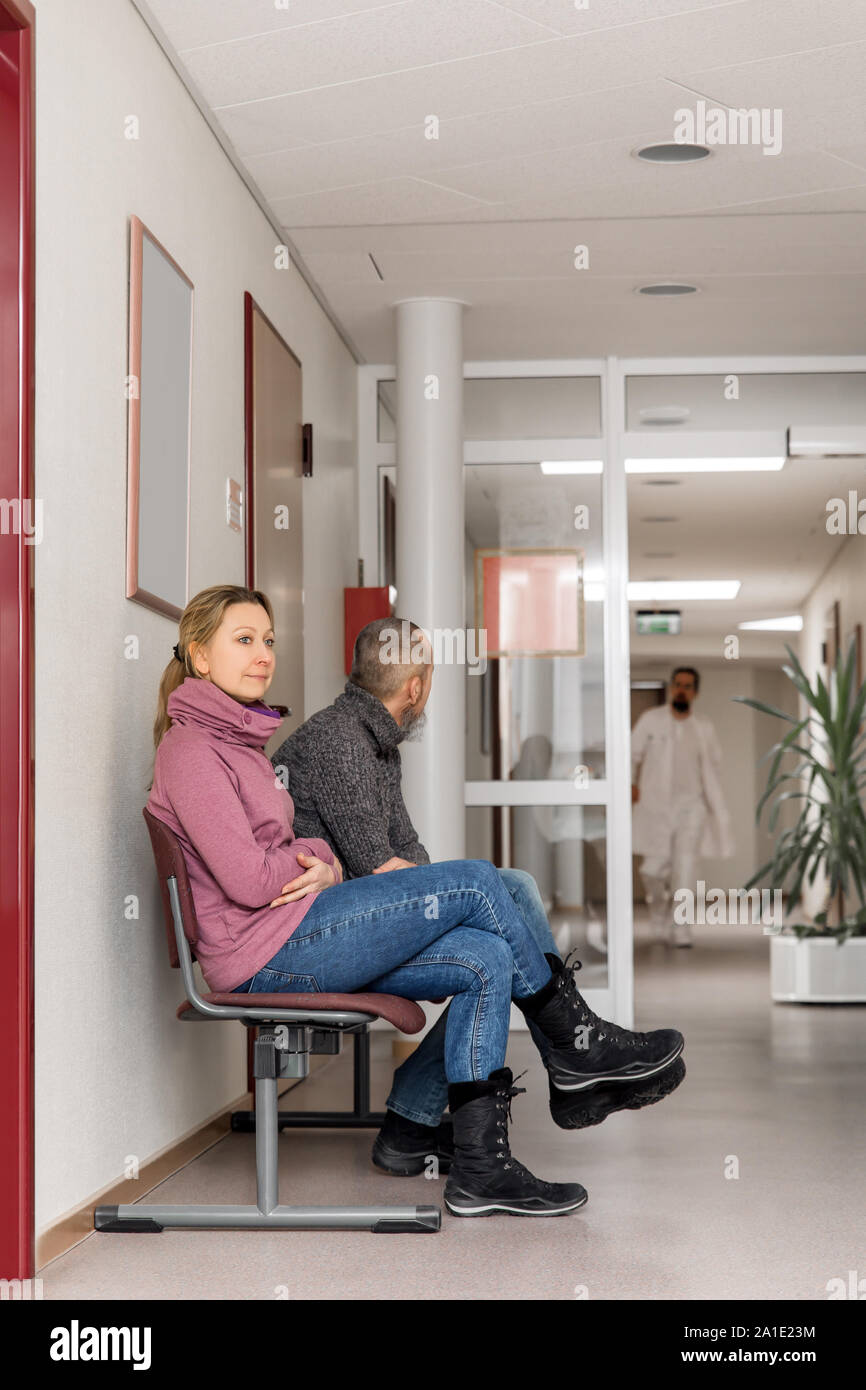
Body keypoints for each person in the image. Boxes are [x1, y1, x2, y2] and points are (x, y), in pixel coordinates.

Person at [146, 585, 684, 1220]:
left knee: (487, 954)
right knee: (483, 882)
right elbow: (248, 879)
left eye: (268, 640)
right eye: (244, 640)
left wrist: (317, 860)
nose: (263, 654)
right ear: (200, 657)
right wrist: (314, 864)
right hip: (265, 952)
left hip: (301, 929)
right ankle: (576, 1047)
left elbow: (310, 850)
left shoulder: (242, 745)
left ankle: (476, 1167)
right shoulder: (192, 752)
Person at [273, 615, 685, 1172]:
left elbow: (409, 855)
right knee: (505, 893)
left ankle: (411, 1127)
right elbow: (381, 872)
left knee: (497, 937)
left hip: (358, 919)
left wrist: (434, 895)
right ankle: (575, 1046)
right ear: (416, 687)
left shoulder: (377, 745)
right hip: (329, 936)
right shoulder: (340, 742)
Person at [631, 667, 734, 948]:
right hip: (655, 808)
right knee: (651, 870)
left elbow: (713, 767)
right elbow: (631, 755)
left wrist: (715, 806)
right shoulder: (650, 721)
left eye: (687, 686)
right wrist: (630, 783)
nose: (681, 690)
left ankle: (681, 930)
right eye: (677, 684)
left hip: (692, 808)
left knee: (685, 869)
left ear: (695, 693)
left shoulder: (703, 727)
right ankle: (659, 914)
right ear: (671, 688)